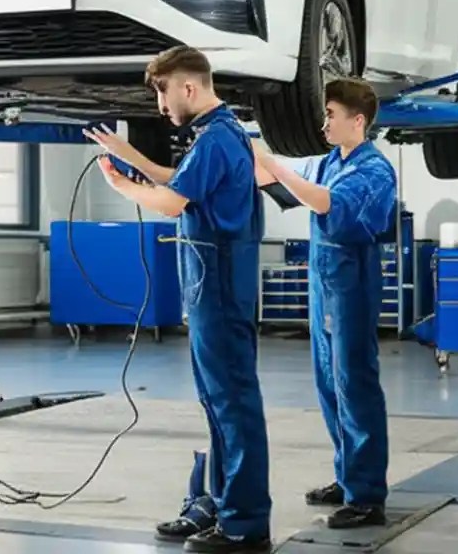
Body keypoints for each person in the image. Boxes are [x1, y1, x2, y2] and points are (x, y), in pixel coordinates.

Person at [86, 45, 272, 554]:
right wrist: (129, 163)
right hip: (213, 291)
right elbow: (177, 181)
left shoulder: (216, 139)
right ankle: (222, 503)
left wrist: (126, 191)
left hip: (221, 292)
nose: (162, 105)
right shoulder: (218, 136)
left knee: (233, 405)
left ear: (189, 87)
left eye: (164, 92)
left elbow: (172, 203)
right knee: (219, 403)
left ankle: (245, 524)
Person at [252, 78, 398, 529]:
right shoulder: (332, 161)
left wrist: (278, 165)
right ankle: (347, 475)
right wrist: (251, 155)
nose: (324, 123)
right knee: (329, 383)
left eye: (331, 115)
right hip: (324, 286)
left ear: (359, 120)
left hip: (351, 288)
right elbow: (282, 181)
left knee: (354, 384)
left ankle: (367, 494)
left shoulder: (374, 171)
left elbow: (325, 203)